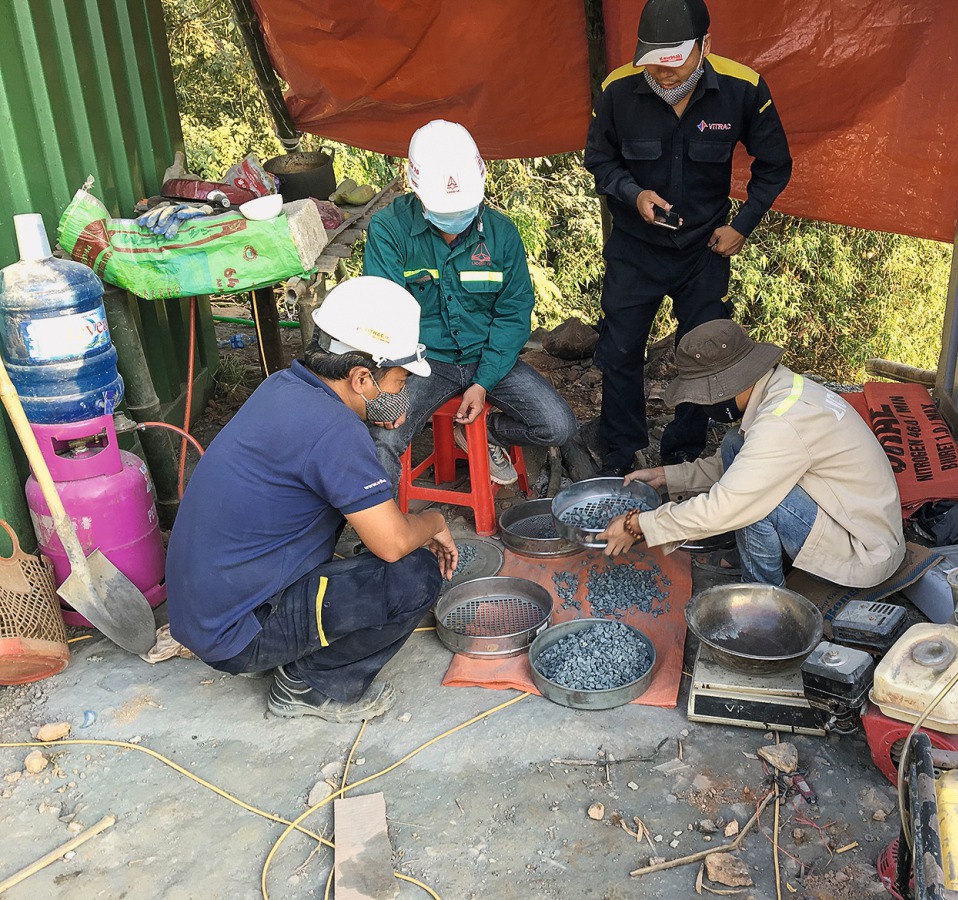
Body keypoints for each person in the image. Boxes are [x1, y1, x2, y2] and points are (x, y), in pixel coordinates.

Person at [166, 277, 458, 722]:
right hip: (235, 634)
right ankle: (308, 685)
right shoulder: (334, 431)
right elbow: (393, 544)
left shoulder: (285, 386)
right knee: (413, 574)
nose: (399, 397)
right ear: (361, 377)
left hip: (206, 611)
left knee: (370, 545)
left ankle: (282, 636)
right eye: (397, 383)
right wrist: (434, 521)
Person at [584, 0, 792, 475]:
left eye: (677, 62)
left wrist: (742, 225)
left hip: (704, 250)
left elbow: (775, 164)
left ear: (706, 47)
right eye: (656, 61)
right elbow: (600, 160)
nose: (666, 73)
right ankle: (620, 451)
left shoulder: (744, 88)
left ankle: (684, 452)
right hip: (635, 250)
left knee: (704, 353)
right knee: (619, 350)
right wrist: (633, 194)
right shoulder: (617, 91)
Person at [600, 321, 905, 588]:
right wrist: (667, 476)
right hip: (853, 522)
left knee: (756, 503)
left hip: (863, 552)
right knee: (736, 442)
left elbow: (729, 505)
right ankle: (756, 550)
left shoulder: (782, 422)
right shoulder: (783, 388)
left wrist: (639, 525)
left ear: (726, 385)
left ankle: (763, 597)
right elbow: (746, 464)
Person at [364, 119, 577, 488]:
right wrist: (390, 387)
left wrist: (483, 382)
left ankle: (489, 432)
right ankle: (383, 531)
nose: (454, 221)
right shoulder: (389, 230)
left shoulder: (501, 234)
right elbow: (386, 315)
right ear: (415, 188)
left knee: (557, 425)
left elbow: (512, 315)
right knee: (383, 437)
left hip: (488, 356)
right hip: (422, 362)